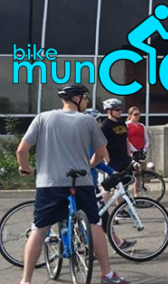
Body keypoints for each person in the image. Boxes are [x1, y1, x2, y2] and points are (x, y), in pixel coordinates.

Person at [16, 84, 130, 284]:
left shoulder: (43, 118)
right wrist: (88, 165)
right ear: (77, 99)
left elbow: (21, 150)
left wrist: (25, 168)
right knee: (94, 225)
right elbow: (102, 154)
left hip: (48, 183)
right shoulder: (87, 121)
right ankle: (107, 274)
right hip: (81, 182)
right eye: (85, 99)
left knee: (39, 228)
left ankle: (26, 280)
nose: (87, 103)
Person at [84, 108, 136, 251]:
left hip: (90, 182)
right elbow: (93, 161)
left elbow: (96, 162)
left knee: (101, 214)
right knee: (95, 215)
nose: (97, 124)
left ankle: (115, 243)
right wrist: (109, 169)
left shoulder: (89, 139)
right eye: (95, 121)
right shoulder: (85, 141)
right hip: (84, 183)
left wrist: (112, 171)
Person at [101, 98, 133, 219]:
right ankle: (103, 211)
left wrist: (129, 155)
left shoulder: (122, 124)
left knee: (122, 186)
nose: (120, 112)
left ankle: (120, 210)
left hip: (123, 158)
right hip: (112, 160)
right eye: (117, 110)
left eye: (120, 109)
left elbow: (126, 140)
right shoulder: (105, 126)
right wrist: (106, 160)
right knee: (108, 187)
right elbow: (102, 145)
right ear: (109, 111)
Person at [126, 106, 150, 197]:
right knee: (131, 170)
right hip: (132, 151)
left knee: (139, 173)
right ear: (130, 115)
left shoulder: (141, 126)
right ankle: (126, 190)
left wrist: (144, 149)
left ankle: (137, 192)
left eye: (139, 114)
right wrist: (133, 150)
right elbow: (126, 139)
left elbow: (146, 138)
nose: (138, 116)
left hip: (141, 151)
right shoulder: (127, 125)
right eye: (135, 114)